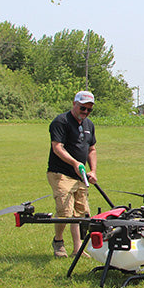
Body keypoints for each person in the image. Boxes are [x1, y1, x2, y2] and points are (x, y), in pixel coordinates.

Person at [47, 90, 98, 258]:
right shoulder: (61, 122)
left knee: (81, 212)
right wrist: (75, 163)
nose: (85, 112)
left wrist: (93, 171)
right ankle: (58, 242)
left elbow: (91, 149)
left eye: (89, 110)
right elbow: (57, 147)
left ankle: (78, 249)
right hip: (60, 172)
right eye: (82, 108)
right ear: (74, 104)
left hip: (80, 175)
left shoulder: (89, 124)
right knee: (64, 211)